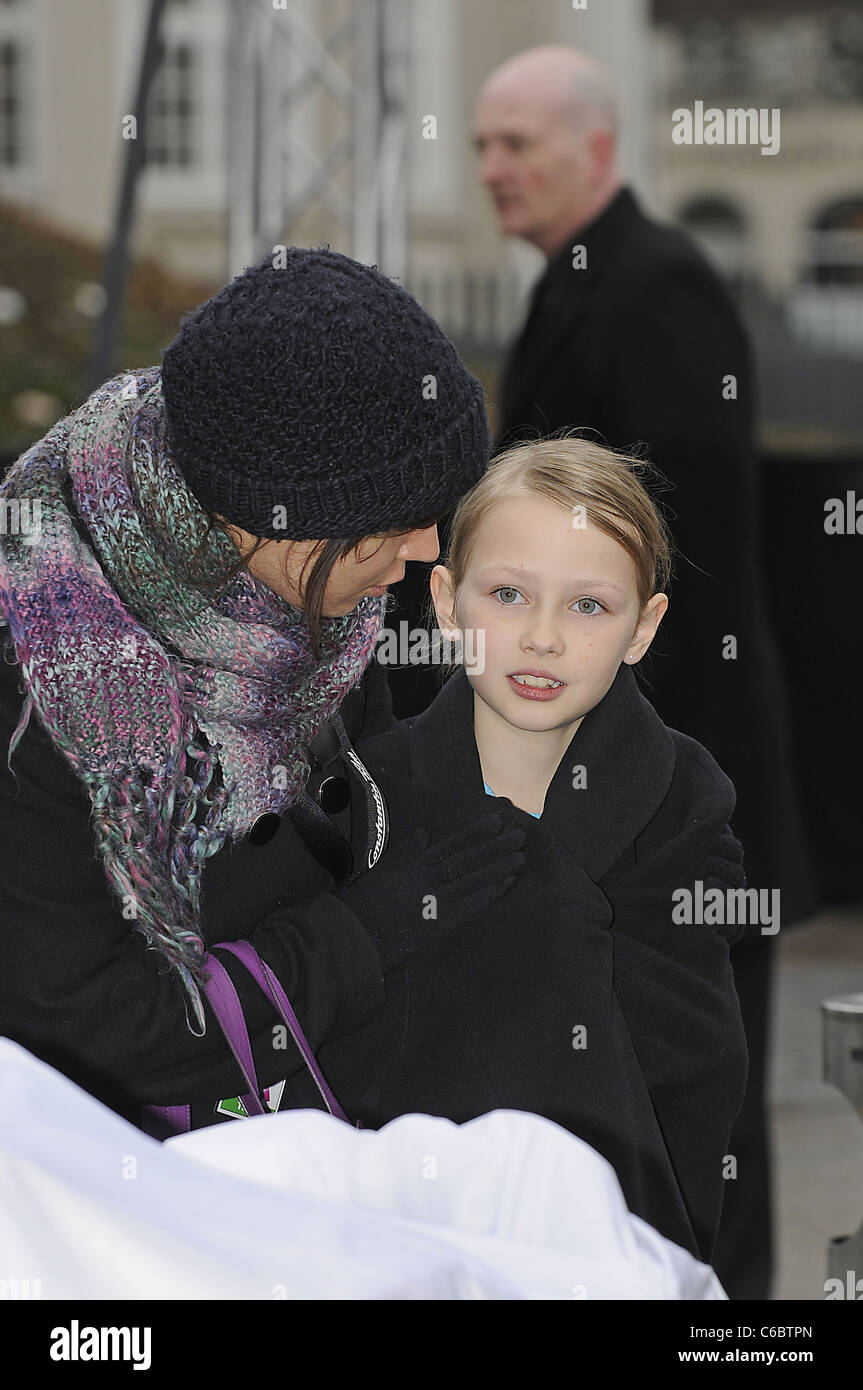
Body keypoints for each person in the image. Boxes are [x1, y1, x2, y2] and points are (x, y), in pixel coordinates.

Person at [0, 247, 526, 1132]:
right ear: (261, 511)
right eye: (391, 523)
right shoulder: (41, 682)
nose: (429, 549)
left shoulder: (311, 605)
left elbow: (372, 831)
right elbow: (92, 1028)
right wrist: (357, 941)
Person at [470, 44, 818, 1299]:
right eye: (480, 146)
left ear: (595, 150)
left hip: (677, 814)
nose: (491, 169)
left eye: (516, 143)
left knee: (692, 1128)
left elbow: (685, 568)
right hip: (623, 804)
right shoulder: (582, 284)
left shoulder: (650, 289)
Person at [279, 435, 750, 1270]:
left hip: (604, 1247)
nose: (541, 637)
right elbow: (324, 1029)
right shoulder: (365, 795)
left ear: (643, 628)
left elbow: (695, 1064)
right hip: (399, 1247)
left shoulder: (683, 805)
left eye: (588, 606)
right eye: (508, 594)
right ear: (447, 602)